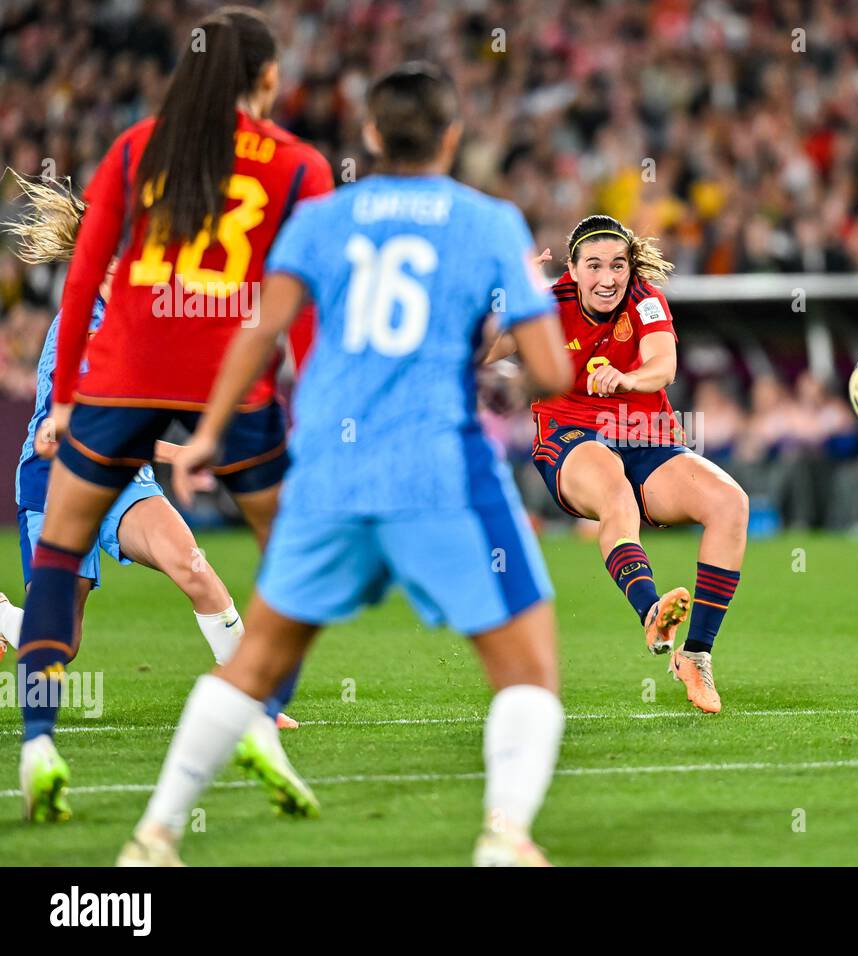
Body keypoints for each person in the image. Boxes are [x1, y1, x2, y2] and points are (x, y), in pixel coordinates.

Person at [118, 62, 571, 867]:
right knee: (528, 670)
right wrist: (492, 363)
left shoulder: (321, 219)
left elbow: (259, 332)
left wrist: (205, 437)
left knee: (254, 663)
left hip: (329, 471)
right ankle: (505, 839)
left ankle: (154, 835)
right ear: (453, 137)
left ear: (370, 135)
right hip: (438, 474)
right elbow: (554, 371)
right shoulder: (489, 221)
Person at [15, 6, 332, 823]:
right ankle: (244, 709)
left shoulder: (139, 150)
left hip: (124, 402)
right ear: (266, 78)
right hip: (196, 383)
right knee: (292, 549)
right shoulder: (296, 164)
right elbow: (302, 293)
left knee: (169, 568)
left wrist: (78, 410)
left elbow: (82, 283)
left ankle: (247, 712)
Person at [484, 215, 749, 713]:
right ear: (573, 269)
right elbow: (481, 352)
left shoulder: (645, 300)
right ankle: (652, 610)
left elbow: (663, 366)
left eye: (618, 265)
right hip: (572, 435)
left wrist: (627, 381)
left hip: (645, 436)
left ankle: (695, 655)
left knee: (730, 503)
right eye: (595, 266)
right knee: (614, 492)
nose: (608, 278)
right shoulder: (543, 303)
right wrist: (508, 293)